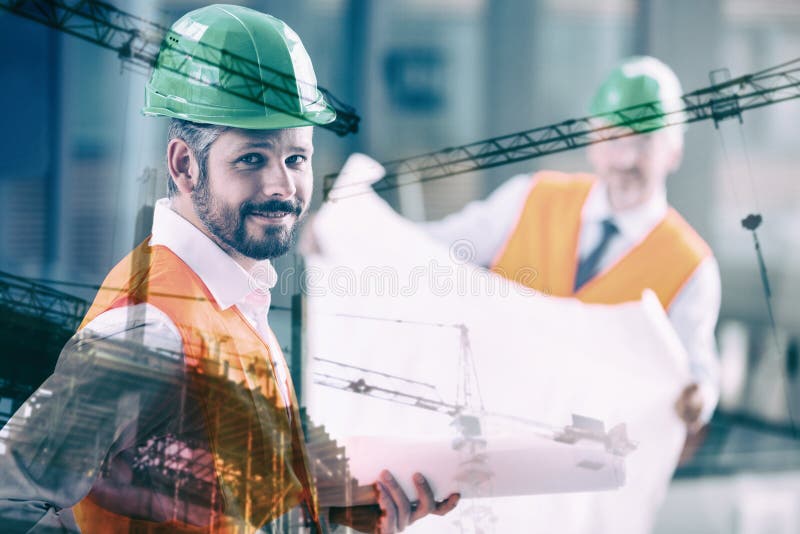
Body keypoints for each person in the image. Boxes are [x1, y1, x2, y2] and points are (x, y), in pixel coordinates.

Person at [0, 5, 457, 533]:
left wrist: (333, 511)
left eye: (296, 159)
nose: (282, 186)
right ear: (185, 166)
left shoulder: (237, 297)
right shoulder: (151, 328)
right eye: (251, 159)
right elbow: (9, 500)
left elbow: (224, 504)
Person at [423, 56, 720, 432]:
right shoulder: (530, 196)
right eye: (613, 138)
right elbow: (431, 247)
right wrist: (360, 224)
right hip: (489, 429)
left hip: (595, 454)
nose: (626, 158)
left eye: (644, 142)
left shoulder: (691, 265)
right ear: (593, 141)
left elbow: (698, 377)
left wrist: (697, 399)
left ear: (674, 152)